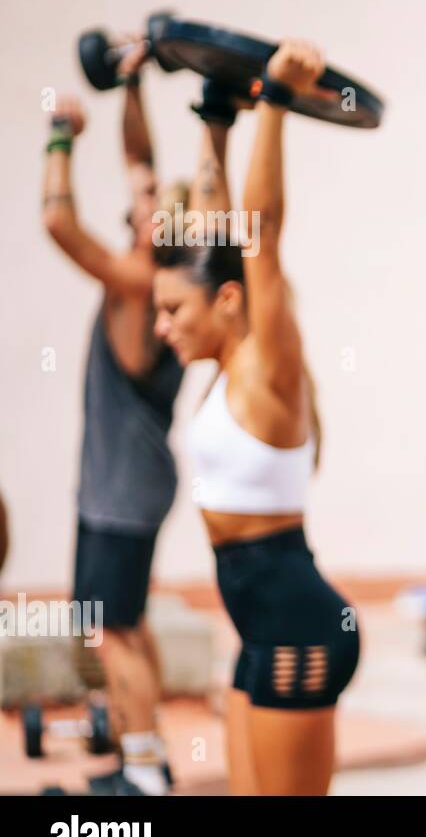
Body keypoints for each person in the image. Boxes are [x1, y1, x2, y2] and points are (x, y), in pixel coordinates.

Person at [152, 39, 360, 796]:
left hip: (297, 624)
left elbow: (256, 239)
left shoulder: (266, 369)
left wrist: (274, 101)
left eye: (173, 309)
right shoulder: (223, 372)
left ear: (230, 304)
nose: (164, 326)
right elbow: (220, 235)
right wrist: (214, 119)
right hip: (259, 625)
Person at [41, 40, 183, 796]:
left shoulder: (137, 278)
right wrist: (132, 87)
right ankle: (143, 754)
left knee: (109, 628)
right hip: (131, 481)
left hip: (121, 489)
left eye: (158, 200)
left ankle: (145, 775)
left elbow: (60, 228)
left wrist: (60, 137)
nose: (147, 194)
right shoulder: (163, 264)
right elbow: (142, 163)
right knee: (126, 623)